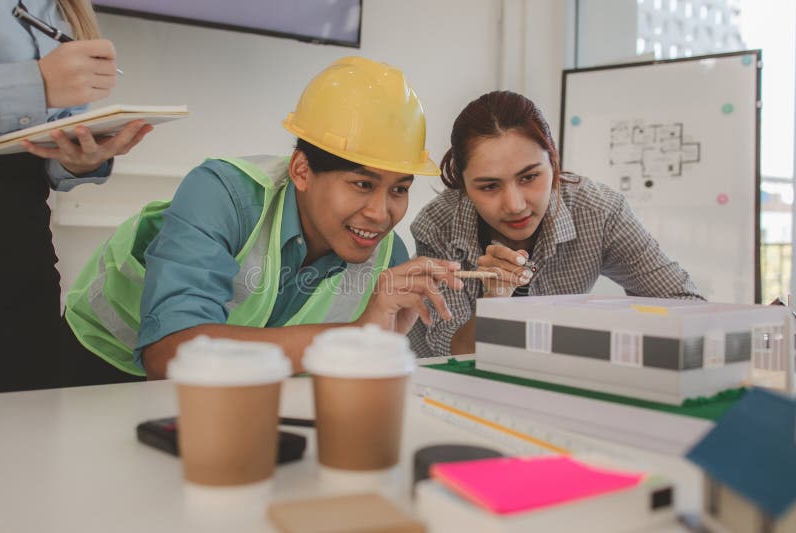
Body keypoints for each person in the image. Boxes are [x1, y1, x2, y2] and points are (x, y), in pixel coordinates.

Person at [60, 56, 464, 385]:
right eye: (361, 184)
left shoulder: (389, 257)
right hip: (101, 366)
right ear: (301, 170)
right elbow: (167, 354)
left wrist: (383, 346)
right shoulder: (223, 196)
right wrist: (357, 337)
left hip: (235, 384)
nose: (381, 213)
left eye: (399, 189)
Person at [408, 91, 703, 358]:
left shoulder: (598, 211)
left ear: (554, 163)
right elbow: (453, 354)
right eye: (489, 187)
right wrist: (494, 301)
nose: (515, 205)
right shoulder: (439, 227)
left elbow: (688, 306)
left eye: (529, 177)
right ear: (463, 186)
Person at [0, 0, 152, 392]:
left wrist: (82, 157)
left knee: (28, 408)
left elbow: (47, 144)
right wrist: (35, 86)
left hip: (19, 237)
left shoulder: (65, 8)